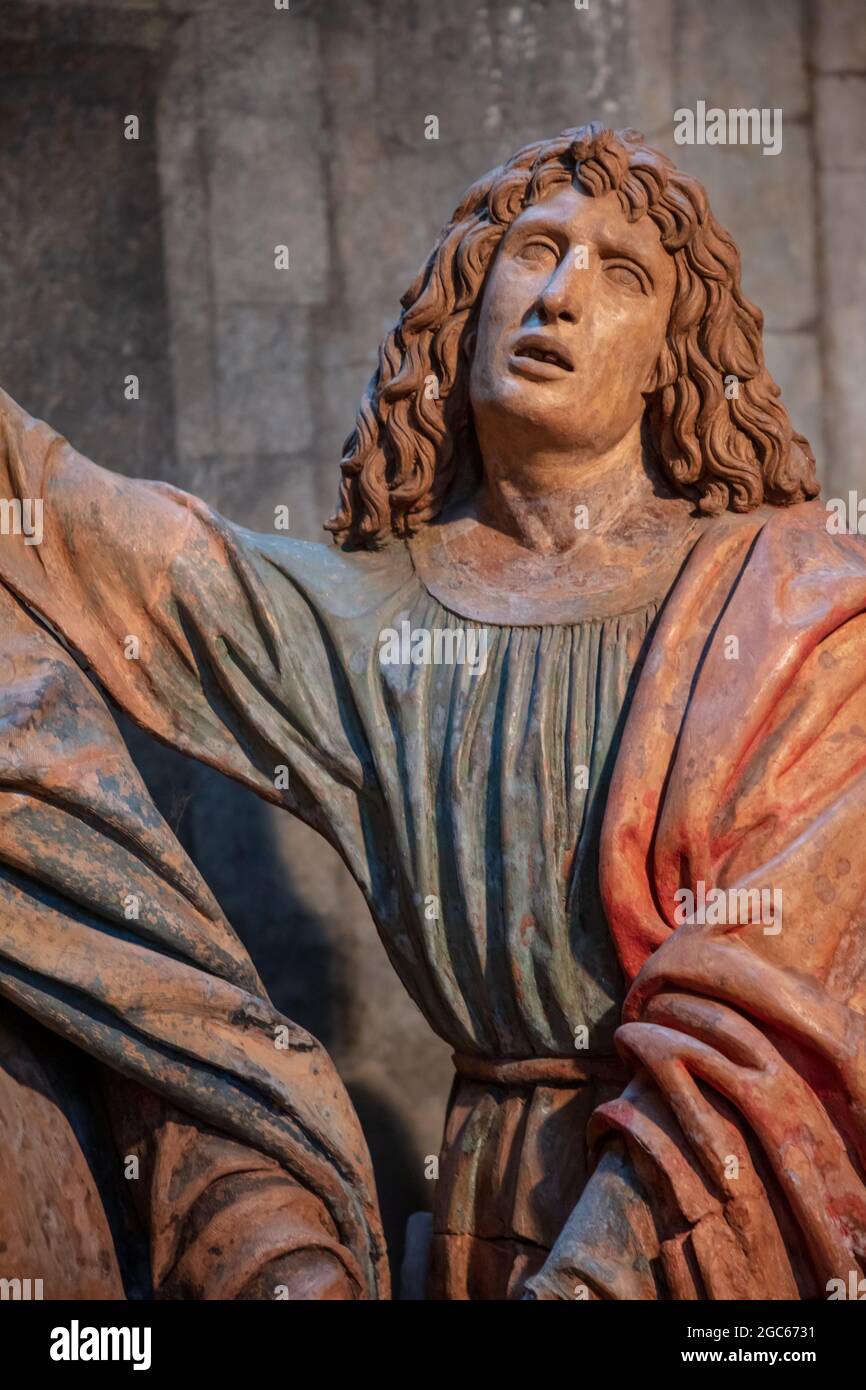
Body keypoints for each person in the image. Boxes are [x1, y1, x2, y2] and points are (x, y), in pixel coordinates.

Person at [0, 123, 863, 1300]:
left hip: (688, 1222)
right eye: (532, 251)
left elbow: (770, 994)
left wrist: (605, 1267)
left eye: (620, 274)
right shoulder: (370, 620)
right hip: (475, 1215)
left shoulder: (784, 603)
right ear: (467, 300)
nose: (559, 295)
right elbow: (76, 525)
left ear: (669, 355)